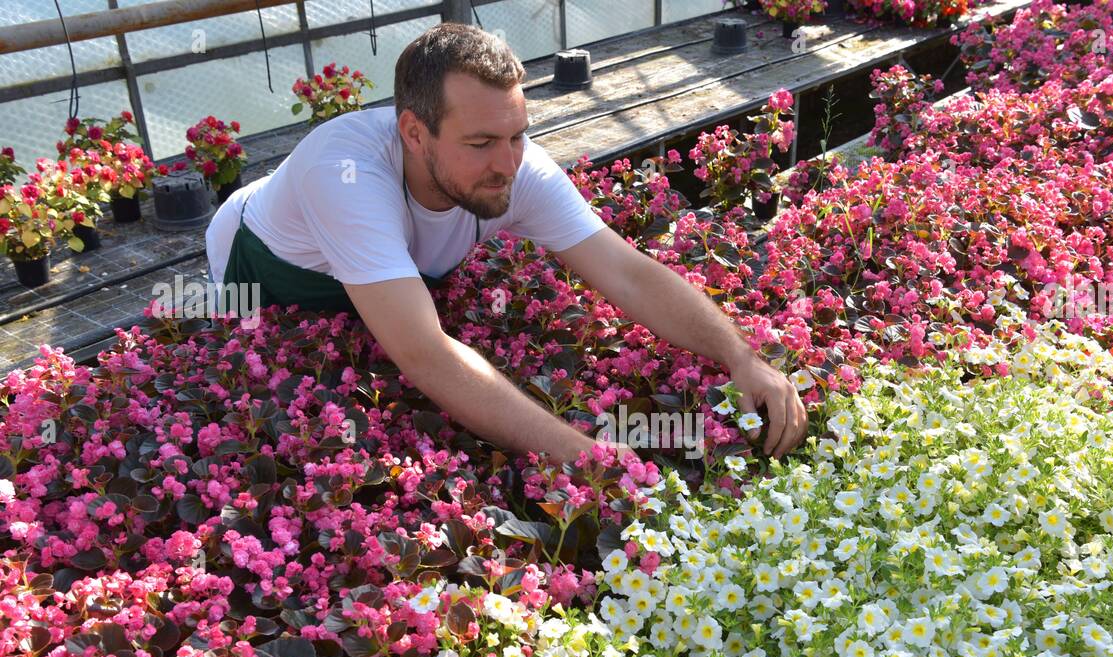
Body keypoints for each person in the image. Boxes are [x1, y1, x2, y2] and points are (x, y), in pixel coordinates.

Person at [205, 23, 807, 463]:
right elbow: (424, 354)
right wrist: (584, 456)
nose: (506, 164)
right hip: (267, 270)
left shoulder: (517, 168)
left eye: (517, 134)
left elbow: (626, 273)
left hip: (383, 261)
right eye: (480, 142)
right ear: (414, 132)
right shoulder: (344, 177)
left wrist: (741, 356)